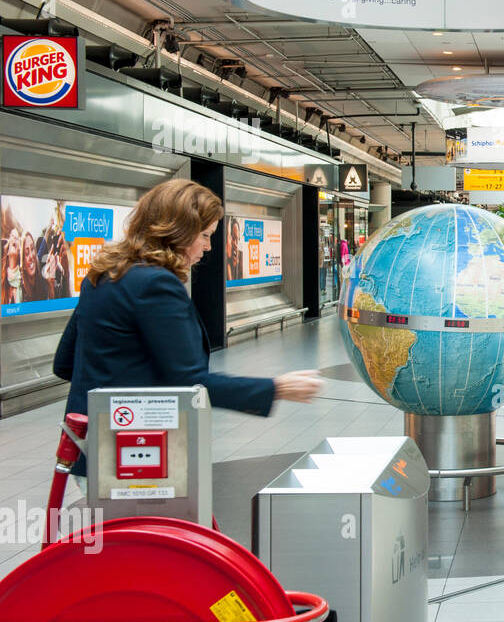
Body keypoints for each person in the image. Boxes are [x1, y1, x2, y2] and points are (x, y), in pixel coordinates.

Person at [52, 179, 323, 478]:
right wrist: (276, 388)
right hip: (134, 452)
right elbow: (191, 383)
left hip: (87, 449)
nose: (208, 247)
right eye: (205, 235)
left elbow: (64, 363)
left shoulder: (102, 275)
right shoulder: (156, 284)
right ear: (176, 231)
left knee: (103, 527)